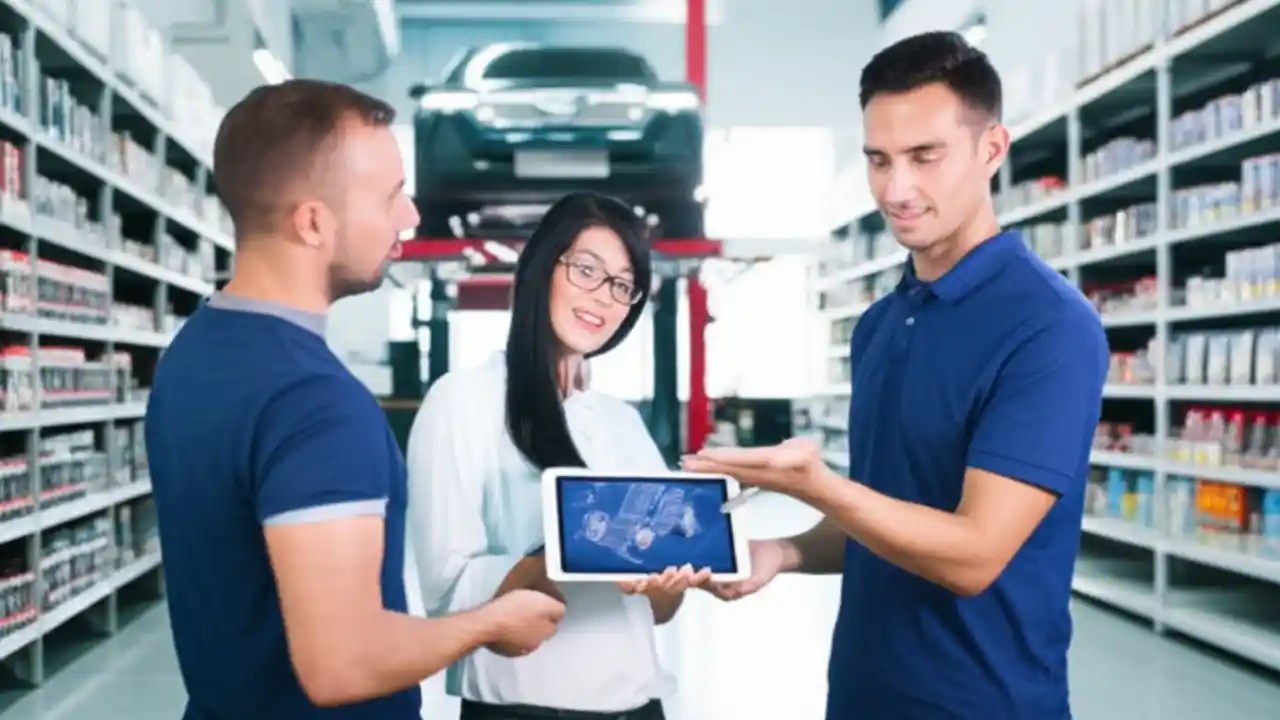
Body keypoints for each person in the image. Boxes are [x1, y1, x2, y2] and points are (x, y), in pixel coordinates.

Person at [684, 31, 1109, 720]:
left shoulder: (1050, 328)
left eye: (924, 157)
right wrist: (782, 550)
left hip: (985, 704)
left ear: (991, 149)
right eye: (879, 160)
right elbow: (889, 516)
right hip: (861, 695)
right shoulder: (883, 324)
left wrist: (816, 485)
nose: (897, 189)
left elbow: (972, 555)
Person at [145, 79, 565, 720]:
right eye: (391, 196)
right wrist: (489, 623)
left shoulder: (194, 352)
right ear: (313, 222)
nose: (411, 216)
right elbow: (344, 663)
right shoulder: (315, 403)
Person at [406, 191, 708, 720]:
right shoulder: (462, 401)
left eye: (622, 285)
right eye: (586, 270)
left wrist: (670, 580)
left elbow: (657, 611)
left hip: (640, 707)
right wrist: (571, 554)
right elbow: (447, 594)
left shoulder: (623, 422)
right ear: (541, 266)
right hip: (527, 711)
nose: (603, 298)